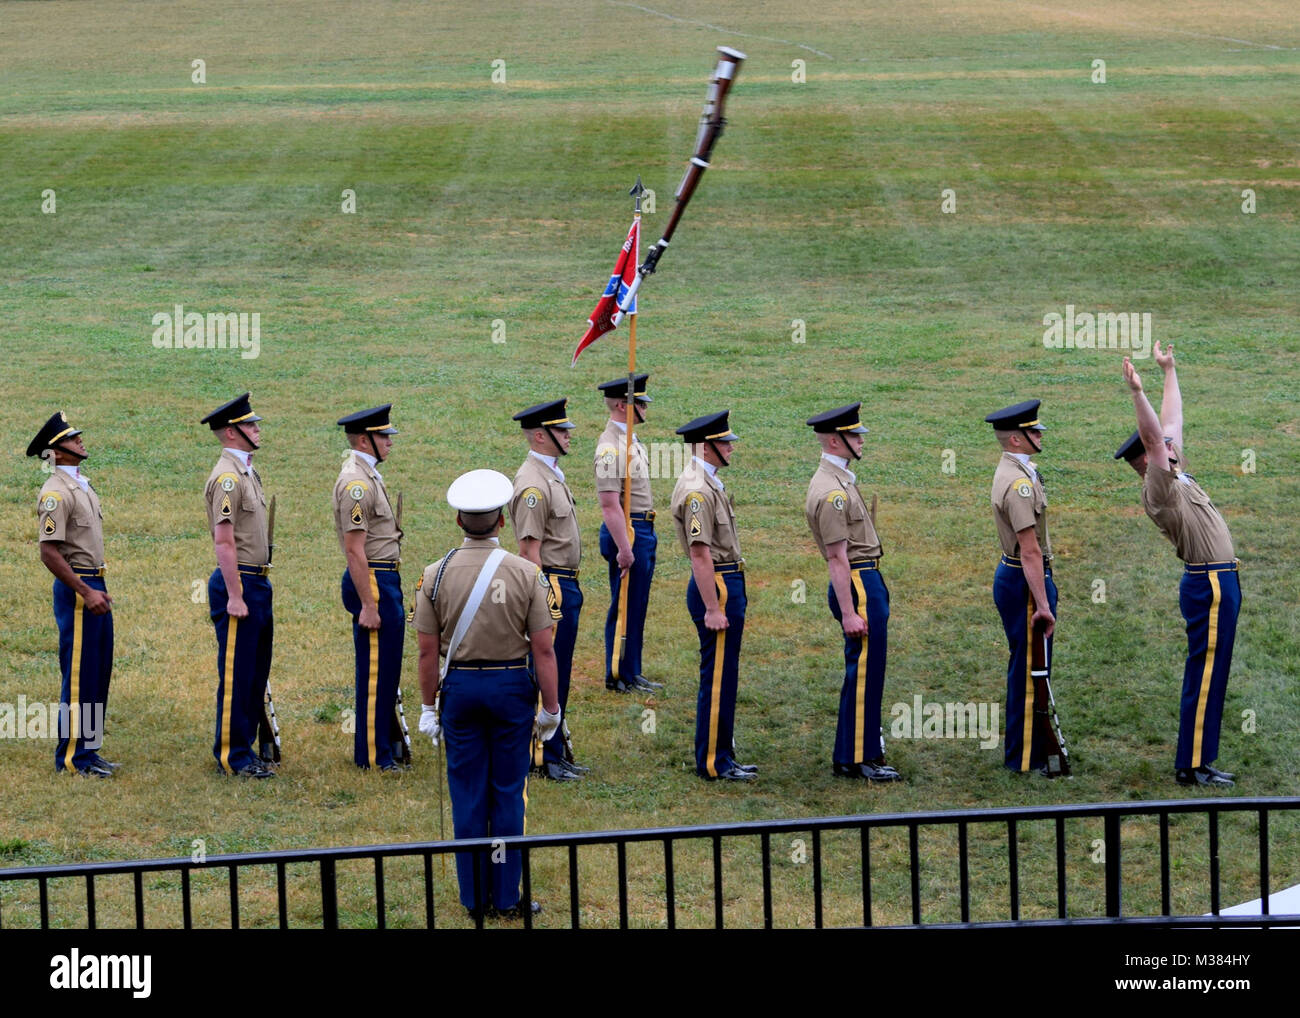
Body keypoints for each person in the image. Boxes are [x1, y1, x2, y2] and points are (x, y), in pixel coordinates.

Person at [414, 469, 562, 920]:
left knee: (467, 792)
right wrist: (552, 709)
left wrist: (426, 707)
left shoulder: (434, 576)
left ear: (459, 520)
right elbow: (544, 650)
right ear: (503, 523)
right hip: (509, 688)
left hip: (459, 689)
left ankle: (474, 895)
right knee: (507, 792)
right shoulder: (526, 573)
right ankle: (504, 894)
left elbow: (425, 652)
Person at [1118, 343, 1241, 788]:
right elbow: (1155, 436)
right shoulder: (1160, 488)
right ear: (1150, 461)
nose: (1172, 444)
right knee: (1205, 674)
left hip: (1219, 582)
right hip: (1208, 584)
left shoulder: (1176, 473)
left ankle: (1201, 759)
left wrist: (1169, 371)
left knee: (1213, 671)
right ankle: (1191, 766)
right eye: (1164, 448)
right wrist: (1137, 392)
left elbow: (1171, 424)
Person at [804, 403, 900, 782]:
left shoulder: (839, 480)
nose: (861, 440)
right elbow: (836, 557)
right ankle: (856, 757)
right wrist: (849, 612)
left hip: (864, 580)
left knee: (869, 670)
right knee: (862, 672)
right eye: (854, 435)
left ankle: (860, 752)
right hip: (858, 583)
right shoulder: (832, 492)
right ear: (834, 440)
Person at [669, 410, 755, 781]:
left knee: (725, 673)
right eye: (725, 443)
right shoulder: (698, 491)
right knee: (718, 677)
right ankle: (713, 762)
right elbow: (701, 554)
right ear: (707, 447)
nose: (731, 447)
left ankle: (723, 753)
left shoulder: (707, 481)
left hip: (724, 582)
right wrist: (713, 607)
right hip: (716, 585)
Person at [29, 411, 116, 777]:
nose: (80, 440)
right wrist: (84, 590)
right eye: (71, 438)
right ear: (56, 452)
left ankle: (89, 750)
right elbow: (49, 551)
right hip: (78, 588)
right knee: (79, 674)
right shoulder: (55, 494)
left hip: (95, 583)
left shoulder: (79, 485)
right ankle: (71, 758)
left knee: (97, 671)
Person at [509, 398, 587, 781]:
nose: (570, 434)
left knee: (559, 671)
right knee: (546, 670)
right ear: (541, 436)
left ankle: (554, 750)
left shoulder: (549, 474)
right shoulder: (533, 485)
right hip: (551, 584)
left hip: (564, 583)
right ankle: (541, 756)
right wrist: (541, 602)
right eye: (562, 430)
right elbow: (528, 553)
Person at [201, 393, 275, 778]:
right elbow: (223, 540)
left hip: (256, 582)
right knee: (237, 674)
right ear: (232, 432)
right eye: (250, 425)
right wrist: (234, 595)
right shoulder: (228, 478)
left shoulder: (245, 471)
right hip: (240, 583)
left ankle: (246, 748)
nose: (257, 429)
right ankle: (233, 755)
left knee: (255, 671)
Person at [985, 399, 1058, 775]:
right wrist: (1043, 604)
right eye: (1034, 430)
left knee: (1028, 665)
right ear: (1016, 439)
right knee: (1031, 668)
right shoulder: (1018, 484)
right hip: (1025, 579)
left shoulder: (1018, 471)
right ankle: (1025, 758)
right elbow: (1029, 550)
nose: (1041, 433)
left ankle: (1027, 750)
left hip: (1020, 576)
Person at [334, 404, 407, 771]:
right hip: (374, 582)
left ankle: (383, 747)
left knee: (387, 668)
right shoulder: (357, 484)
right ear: (365, 440)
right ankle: (373, 756)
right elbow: (354, 549)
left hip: (383, 577)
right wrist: (368, 604)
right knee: (376, 673)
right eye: (383, 436)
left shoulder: (368, 475)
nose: (390, 442)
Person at [594, 373, 661, 694]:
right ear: (623, 405)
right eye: (640, 403)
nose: (646, 408)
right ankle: (618, 674)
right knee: (623, 605)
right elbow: (609, 505)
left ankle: (632, 671)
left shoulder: (629, 440)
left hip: (641, 528)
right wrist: (624, 547)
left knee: (636, 604)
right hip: (628, 530)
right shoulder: (610, 448)